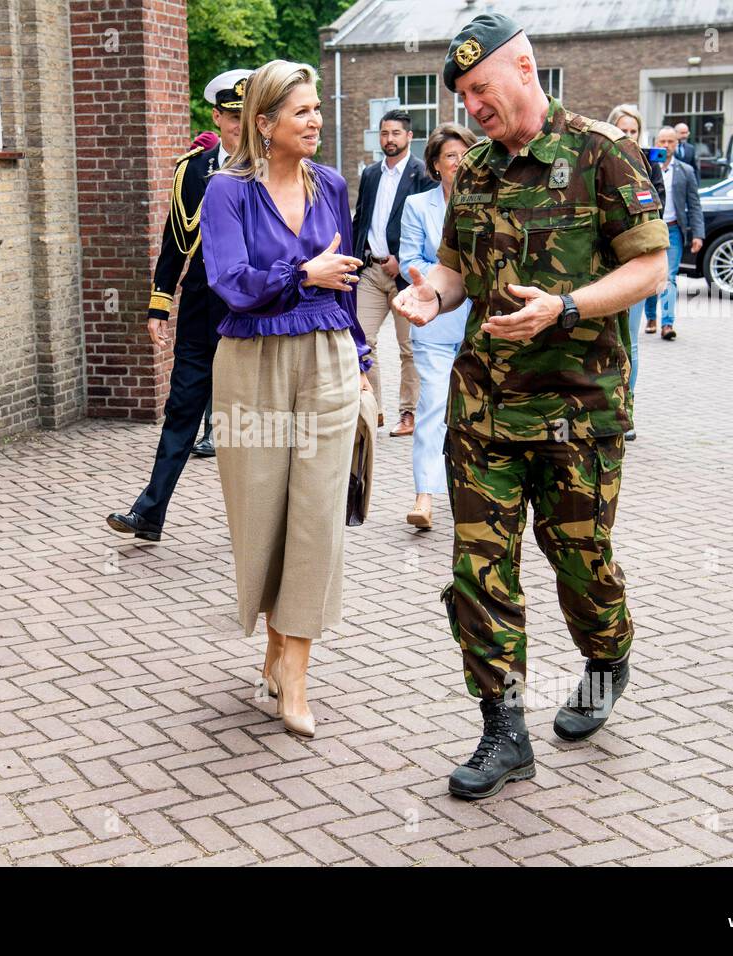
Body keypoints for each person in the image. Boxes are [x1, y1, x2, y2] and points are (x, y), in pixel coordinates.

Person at [394, 13, 668, 800]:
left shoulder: (601, 154)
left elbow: (648, 266)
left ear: (526, 68)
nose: (474, 105)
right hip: (484, 410)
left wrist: (567, 308)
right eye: (464, 95)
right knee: (478, 572)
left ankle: (608, 655)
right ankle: (503, 730)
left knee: (579, 562)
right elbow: (456, 272)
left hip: (579, 412)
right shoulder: (473, 170)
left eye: (482, 88)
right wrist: (428, 296)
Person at [200, 59, 373, 739]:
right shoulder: (227, 192)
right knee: (262, 512)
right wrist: (303, 272)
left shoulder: (330, 184)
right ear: (263, 123)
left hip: (328, 354)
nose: (315, 121)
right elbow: (232, 283)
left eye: (317, 110)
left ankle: (295, 670)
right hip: (252, 362)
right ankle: (274, 650)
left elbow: (347, 281)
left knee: (318, 516)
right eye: (301, 111)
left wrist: (361, 356)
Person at [106, 69, 250, 543]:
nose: (239, 124)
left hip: (256, 310)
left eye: (247, 115)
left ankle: (259, 526)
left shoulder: (274, 165)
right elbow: (174, 240)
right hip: (202, 305)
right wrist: (158, 304)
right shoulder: (193, 168)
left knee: (250, 420)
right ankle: (149, 512)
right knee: (182, 408)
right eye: (232, 116)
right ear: (217, 116)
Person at [397, 122, 477, 530]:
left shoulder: (487, 202)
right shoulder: (417, 206)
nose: (459, 163)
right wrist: (448, 277)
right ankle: (424, 496)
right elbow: (411, 259)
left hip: (482, 324)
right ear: (435, 165)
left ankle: (473, 494)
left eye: (466, 155)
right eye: (450, 157)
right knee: (432, 405)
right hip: (433, 320)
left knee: (477, 413)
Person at [351, 109, 435, 435]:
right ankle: (374, 410)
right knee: (362, 341)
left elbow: (428, 226)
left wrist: (404, 259)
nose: (389, 139)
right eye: (384, 133)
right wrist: (354, 259)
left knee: (408, 347)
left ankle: (408, 414)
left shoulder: (423, 175)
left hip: (405, 274)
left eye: (396, 133)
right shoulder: (370, 174)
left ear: (409, 137)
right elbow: (362, 219)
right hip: (371, 271)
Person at [607, 103, 665, 441]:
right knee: (606, 340)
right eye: (622, 130)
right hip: (606, 268)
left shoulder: (649, 168)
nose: (628, 137)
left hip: (636, 265)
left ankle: (626, 408)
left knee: (630, 341)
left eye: (633, 131)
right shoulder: (599, 161)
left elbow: (656, 217)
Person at [643, 126, 704, 341]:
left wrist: (698, 234)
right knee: (652, 277)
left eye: (670, 142)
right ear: (656, 143)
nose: (666, 146)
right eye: (662, 142)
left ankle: (667, 324)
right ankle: (651, 317)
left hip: (674, 229)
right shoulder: (646, 167)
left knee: (669, 277)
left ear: (677, 144)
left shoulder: (686, 171)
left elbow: (694, 205)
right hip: (652, 230)